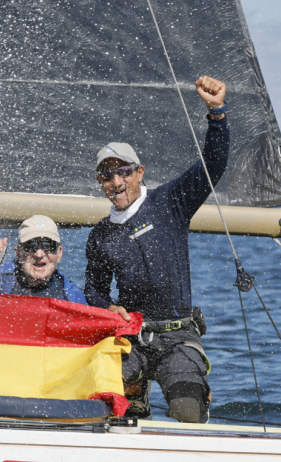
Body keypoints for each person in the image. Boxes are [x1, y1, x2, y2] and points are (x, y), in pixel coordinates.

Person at [84, 76, 229, 423]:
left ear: (139, 172)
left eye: (123, 172)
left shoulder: (170, 201)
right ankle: (136, 411)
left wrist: (217, 113)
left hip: (177, 333)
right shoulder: (101, 235)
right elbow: (93, 289)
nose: (116, 182)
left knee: (187, 411)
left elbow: (214, 164)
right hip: (132, 336)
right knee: (117, 413)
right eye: (107, 177)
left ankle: (193, 403)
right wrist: (107, 306)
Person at [0, 215, 85, 304]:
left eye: (48, 246)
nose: (39, 253)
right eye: (30, 246)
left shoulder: (71, 296)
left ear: (59, 254)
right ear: (18, 253)